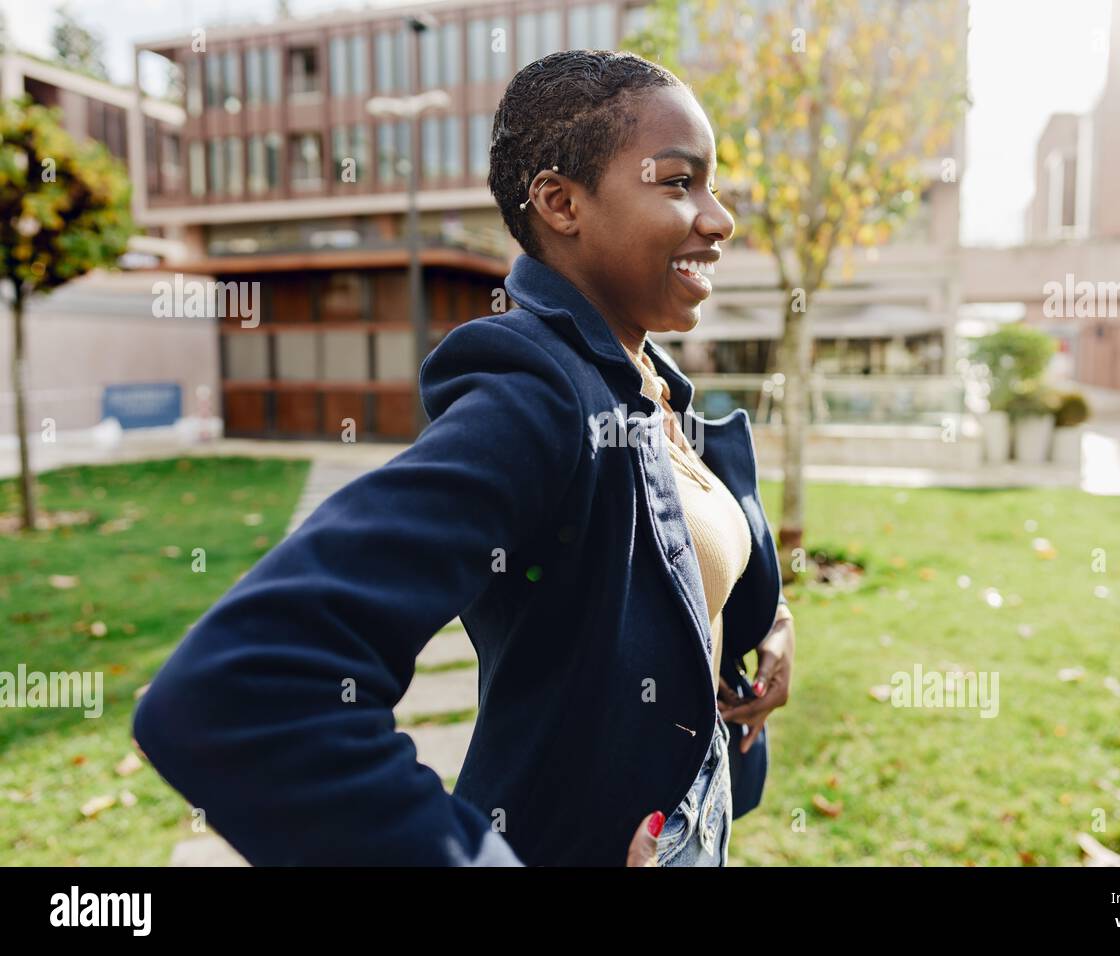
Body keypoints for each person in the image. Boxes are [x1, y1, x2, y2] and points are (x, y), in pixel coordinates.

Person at [131, 49, 795, 867]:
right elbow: (235, 695)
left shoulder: (647, 383)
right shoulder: (538, 396)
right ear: (560, 202)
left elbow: (680, 573)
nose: (719, 218)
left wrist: (770, 626)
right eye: (678, 182)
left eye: (713, 185)